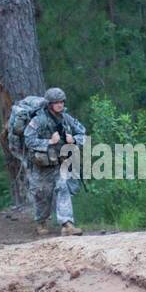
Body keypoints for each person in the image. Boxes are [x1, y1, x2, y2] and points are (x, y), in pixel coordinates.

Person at [23, 87, 86, 236]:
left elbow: (83, 133)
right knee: (42, 195)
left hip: (60, 162)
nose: (60, 105)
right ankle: (41, 221)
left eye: (61, 102)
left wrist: (75, 139)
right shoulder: (38, 120)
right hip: (42, 165)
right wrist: (49, 142)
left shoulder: (66, 118)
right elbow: (29, 140)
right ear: (49, 104)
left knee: (63, 188)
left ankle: (67, 224)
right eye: (56, 102)